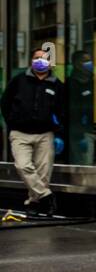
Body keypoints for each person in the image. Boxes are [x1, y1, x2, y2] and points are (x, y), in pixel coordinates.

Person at [1, 47, 66, 217]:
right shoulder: (19, 80)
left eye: (44, 58)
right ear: (31, 60)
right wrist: (12, 122)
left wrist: (58, 133)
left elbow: (62, 110)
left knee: (43, 172)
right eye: (36, 57)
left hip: (45, 134)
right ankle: (46, 196)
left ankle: (34, 203)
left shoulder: (56, 84)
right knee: (23, 165)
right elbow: (5, 103)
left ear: (50, 63)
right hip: (20, 133)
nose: (40, 60)